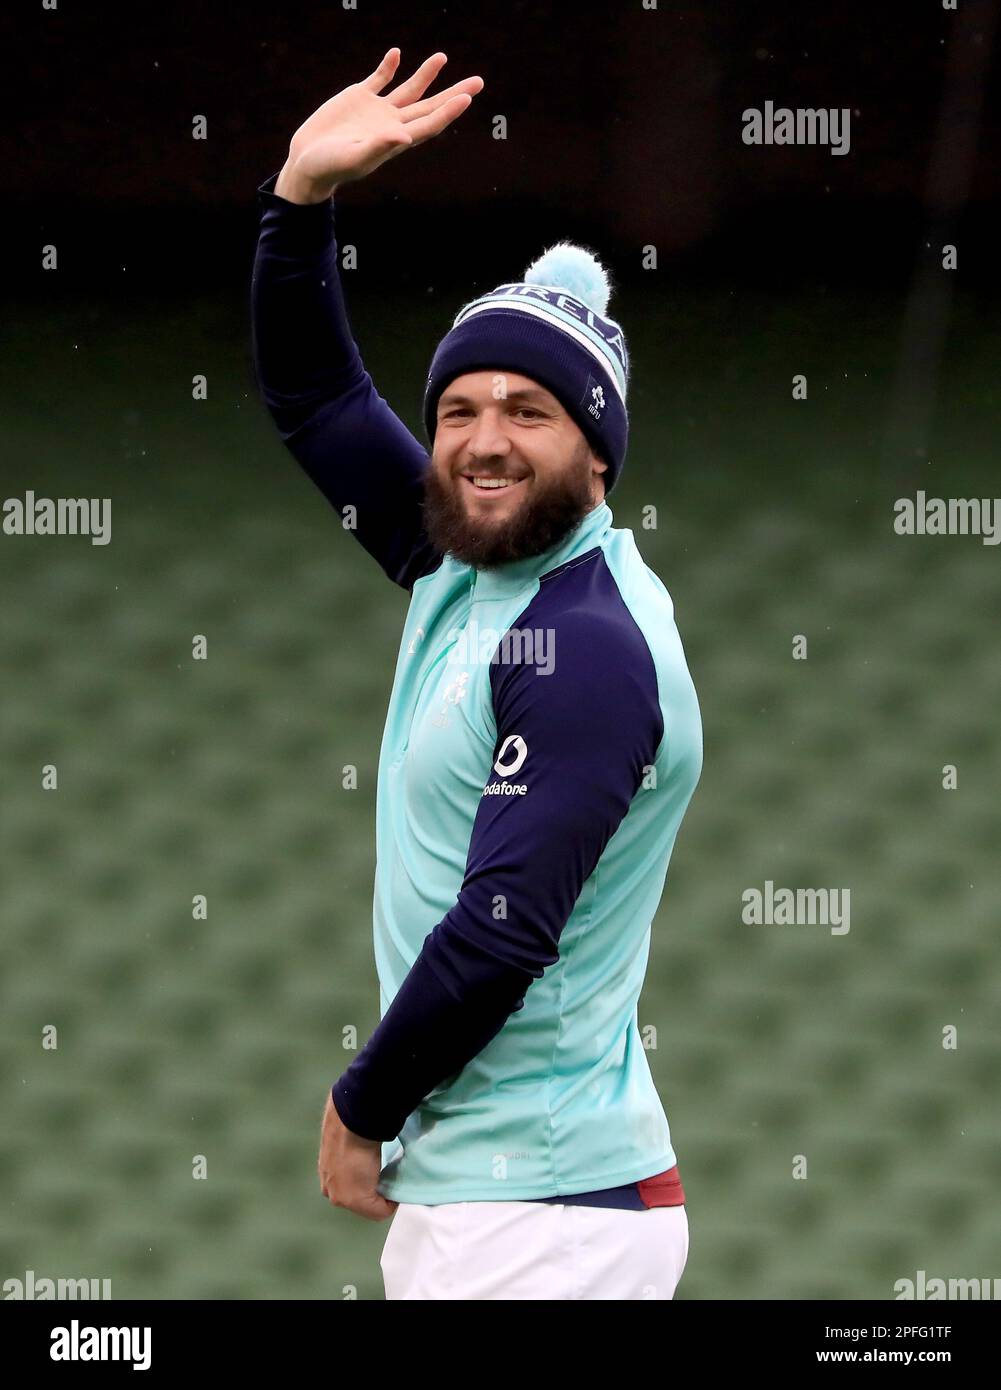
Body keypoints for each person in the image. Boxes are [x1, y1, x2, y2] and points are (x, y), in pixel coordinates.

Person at [251, 47, 703, 1300]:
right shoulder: (469, 564)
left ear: (597, 454)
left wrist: (359, 1104)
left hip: (542, 1212)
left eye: (528, 410)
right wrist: (296, 197)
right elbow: (312, 396)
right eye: (457, 410)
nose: (483, 440)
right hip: (508, 1200)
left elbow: (500, 932)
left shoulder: (589, 646)